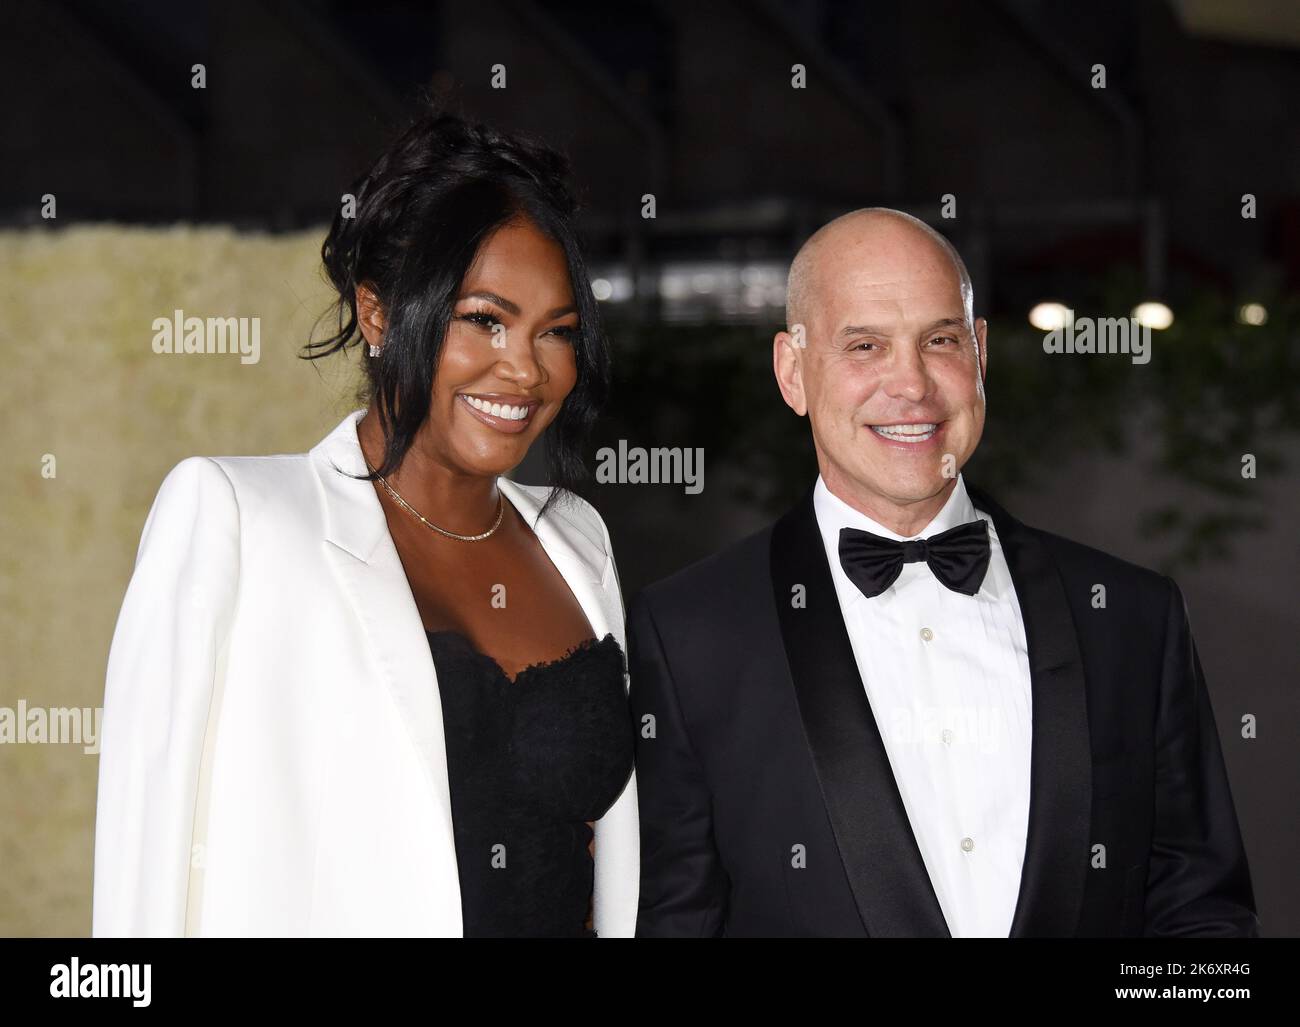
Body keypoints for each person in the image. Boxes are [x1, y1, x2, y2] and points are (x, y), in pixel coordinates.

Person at [627, 207, 1257, 938]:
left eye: (940, 340)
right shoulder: (688, 634)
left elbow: (1203, 917)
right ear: (793, 373)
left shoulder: (1132, 616)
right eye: (865, 345)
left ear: (980, 353)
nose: (912, 384)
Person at [92, 111, 638, 937]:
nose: (525, 368)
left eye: (555, 332)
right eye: (484, 319)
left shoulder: (578, 543)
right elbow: (145, 869)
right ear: (379, 314)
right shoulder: (236, 521)